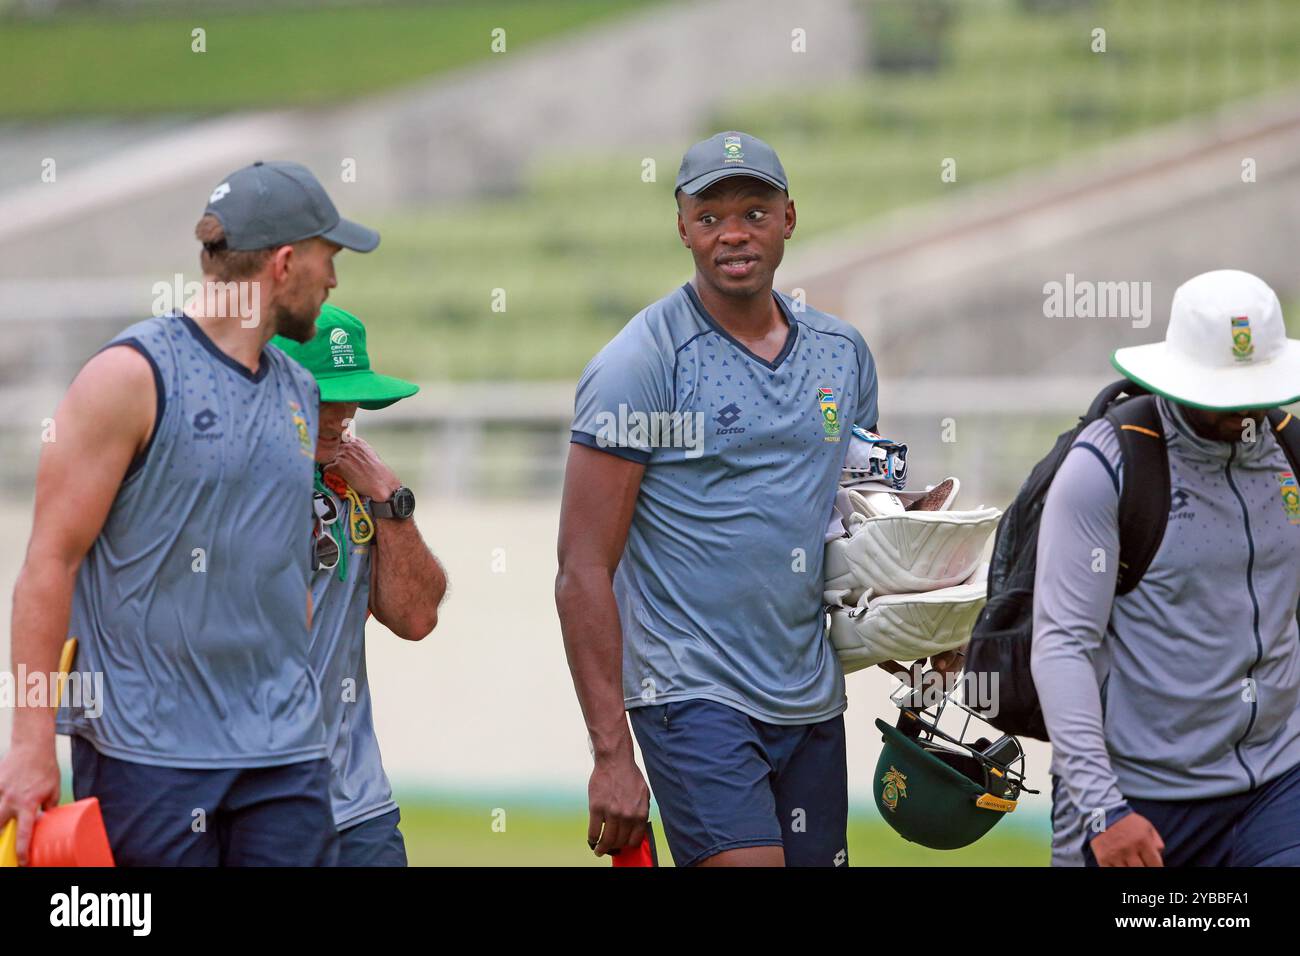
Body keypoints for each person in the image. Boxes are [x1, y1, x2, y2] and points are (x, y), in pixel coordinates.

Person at [557, 131, 958, 867]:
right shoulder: (638, 365)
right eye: (709, 217)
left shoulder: (842, 354)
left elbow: (860, 522)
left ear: (790, 217)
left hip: (810, 697)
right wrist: (611, 755)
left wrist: (920, 628)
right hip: (689, 693)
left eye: (754, 211)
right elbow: (581, 568)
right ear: (682, 227)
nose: (733, 233)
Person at [0, 160, 379, 866]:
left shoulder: (299, 389)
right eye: (330, 260)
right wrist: (28, 745)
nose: (334, 281)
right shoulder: (130, 378)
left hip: (287, 756)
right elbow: (47, 565)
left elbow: (279, 568)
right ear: (286, 263)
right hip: (150, 759)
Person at [1034, 269, 1300, 867]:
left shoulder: (1292, 451)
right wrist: (1103, 810)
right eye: (1223, 393)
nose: (1244, 411)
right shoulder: (1108, 466)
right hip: (1137, 798)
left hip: (1279, 786)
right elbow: (1062, 646)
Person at [272, 304, 447, 867]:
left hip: (358, 809)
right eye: (324, 395)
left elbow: (417, 618)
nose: (343, 413)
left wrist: (392, 504)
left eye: (351, 396)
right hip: (252, 802)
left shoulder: (356, 488)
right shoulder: (227, 492)